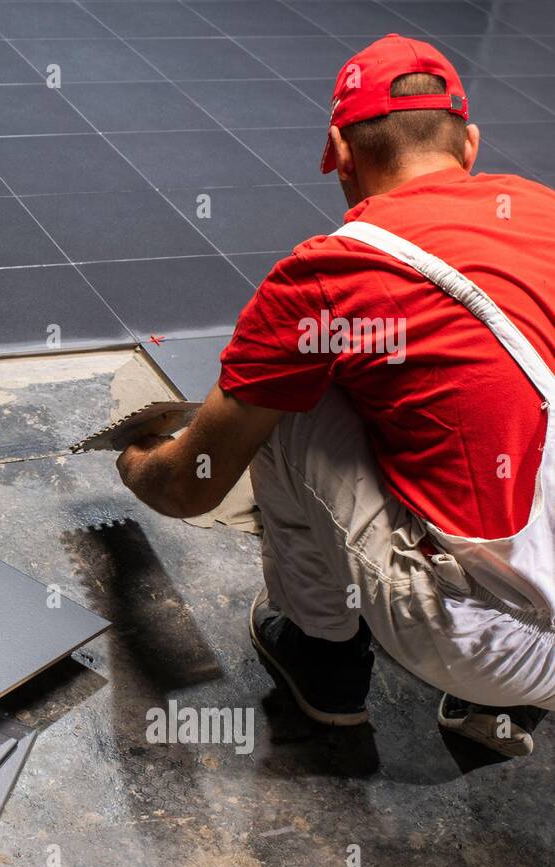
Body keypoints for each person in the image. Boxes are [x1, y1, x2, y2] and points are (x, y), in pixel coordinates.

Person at [117, 34, 555, 758]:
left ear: (342, 153)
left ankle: (324, 661)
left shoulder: (329, 276)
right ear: (470, 145)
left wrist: (137, 461)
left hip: (489, 644)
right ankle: (500, 710)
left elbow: (191, 488)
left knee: (295, 400)